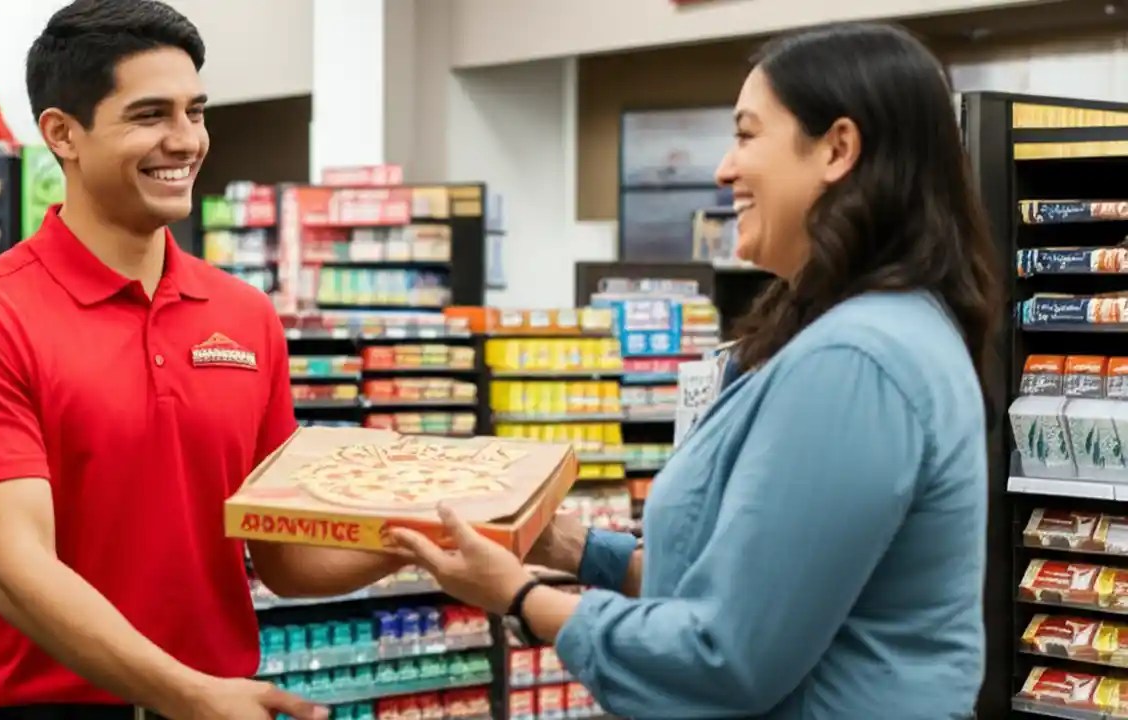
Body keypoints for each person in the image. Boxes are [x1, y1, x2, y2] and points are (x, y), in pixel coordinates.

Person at [388, 22, 1001, 720]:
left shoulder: (854, 361)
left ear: (837, 148)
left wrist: (523, 597)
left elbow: (728, 654)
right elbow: (752, 585)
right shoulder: (873, 332)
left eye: (745, 135)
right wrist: (570, 544)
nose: (722, 169)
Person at [0, 2, 403, 719]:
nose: (186, 141)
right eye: (151, 115)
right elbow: (19, 573)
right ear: (63, 134)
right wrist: (186, 692)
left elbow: (285, 556)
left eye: (196, 112)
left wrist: (428, 535)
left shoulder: (244, 315)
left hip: (217, 701)